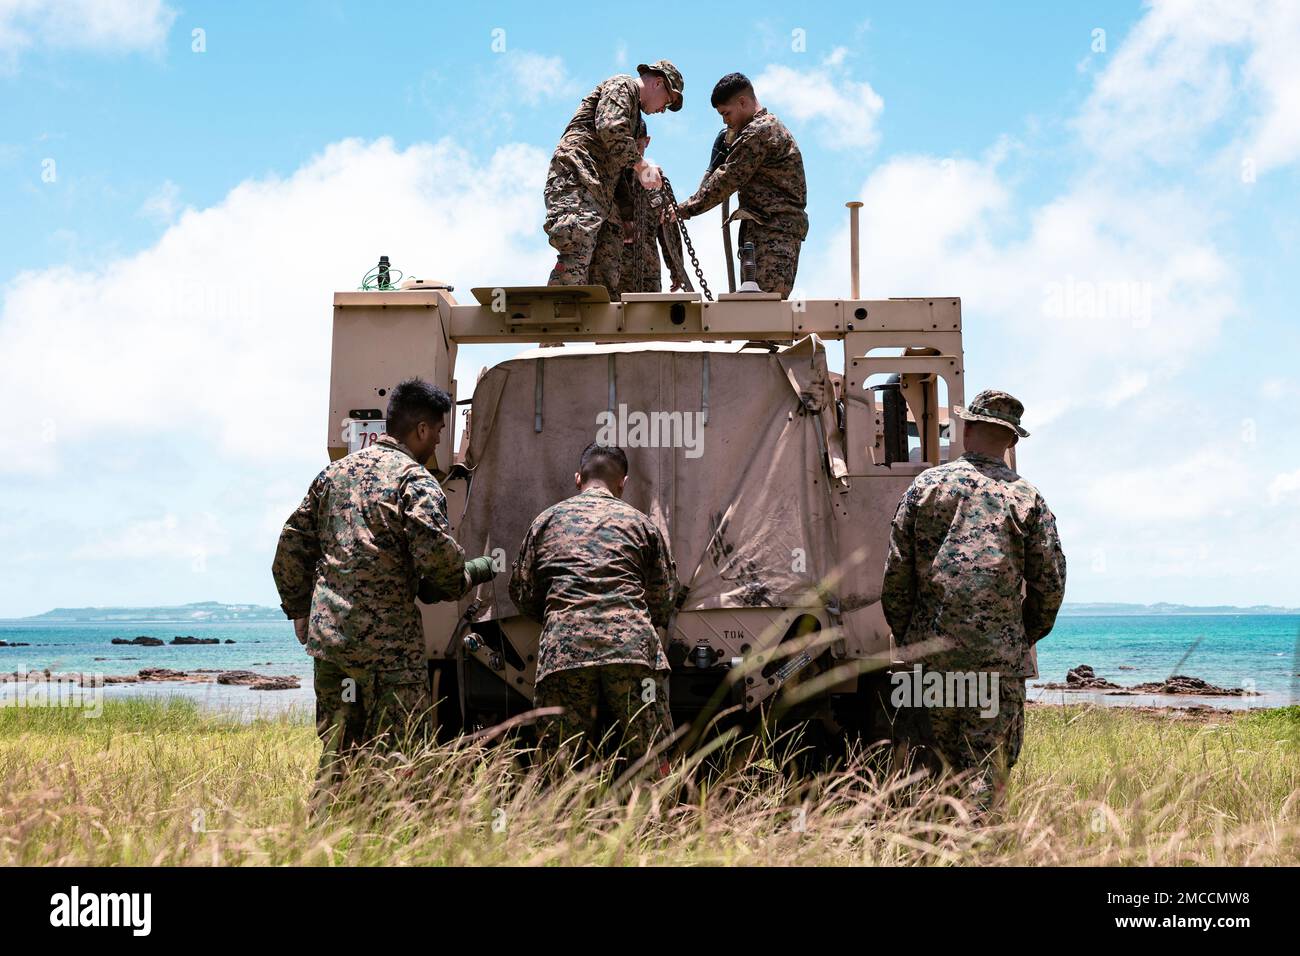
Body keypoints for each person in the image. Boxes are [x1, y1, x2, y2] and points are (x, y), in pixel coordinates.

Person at [272, 378, 497, 791]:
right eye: (440, 432)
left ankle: (325, 843)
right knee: (398, 762)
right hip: (389, 655)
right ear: (423, 430)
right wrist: (476, 569)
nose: (439, 443)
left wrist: (300, 612)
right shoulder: (417, 484)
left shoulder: (332, 477)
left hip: (333, 646)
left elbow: (289, 550)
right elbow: (442, 570)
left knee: (339, 754)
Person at [881, 389, 1066, 813]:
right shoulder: (1027, 499)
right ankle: (980, 855)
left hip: (930, 659)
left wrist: (911, 637)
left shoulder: (925, 487)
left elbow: (896, 577)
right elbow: (1050, 583)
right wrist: (1018, 635)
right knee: (987, 774)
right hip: (996, 663)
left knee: (923, 774)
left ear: (965, 429)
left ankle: (924, 856)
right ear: (1012, 440)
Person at [509, 444, 677, 774]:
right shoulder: (642, 525)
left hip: (565, 652)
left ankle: (562, 822)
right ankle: (657, 822)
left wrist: (563, 617)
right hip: (631, 652)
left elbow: (522, 591)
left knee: (559, 764)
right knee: (653, 754)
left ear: (578, 479)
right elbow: (663, 597)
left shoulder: (546, 522)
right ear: (622, 483)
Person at [544, 60, 684, 294]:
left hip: (599, 191)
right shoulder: (623, 86)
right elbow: (610, 127)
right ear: (658, 83)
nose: (662, 110)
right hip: (578, 177)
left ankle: (594, 317)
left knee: (607, 254)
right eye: (666, 102)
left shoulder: (635, 117)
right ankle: (560, 305)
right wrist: (642, 167)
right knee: (578, 239)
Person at [672, 72, 808, 298]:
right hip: (761, 233)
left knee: (766, 316)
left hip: (774, 233)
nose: (725, 121)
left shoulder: (760, 131)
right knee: (755, 316)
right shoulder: (758, 130)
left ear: (743, 102)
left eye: (727, 113)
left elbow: (728, 178)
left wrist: (684, 209)